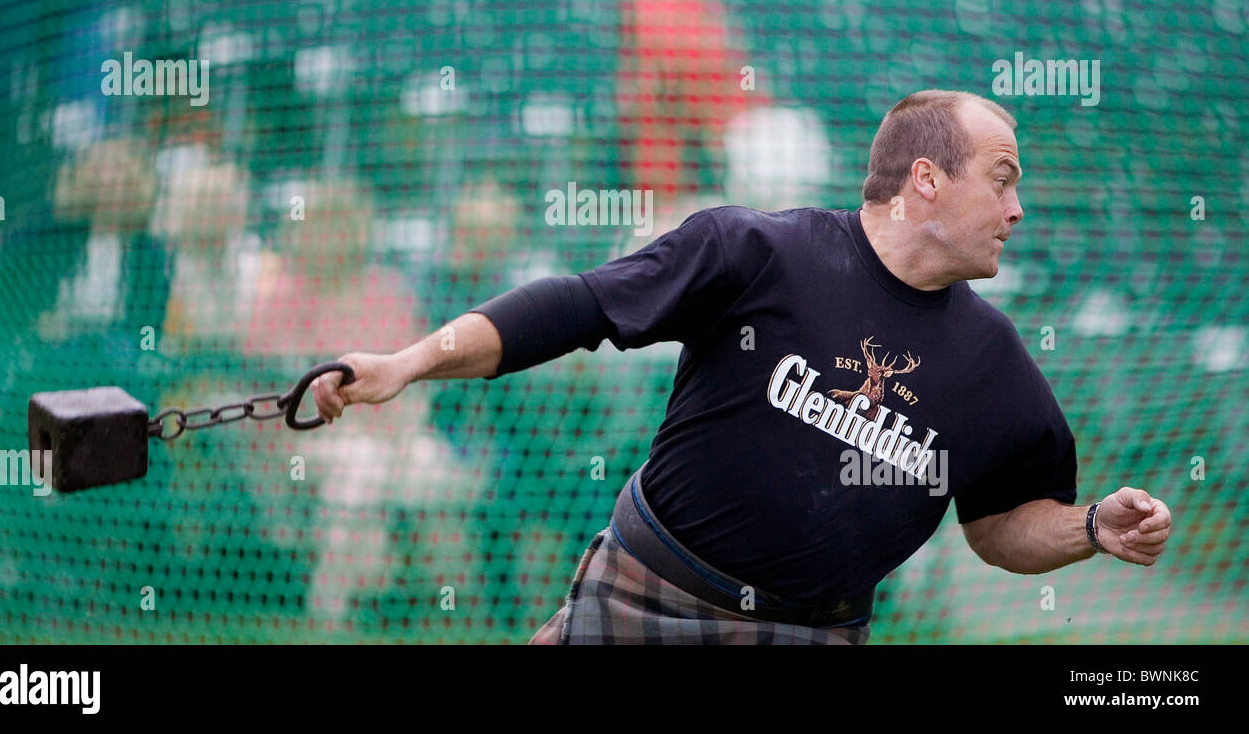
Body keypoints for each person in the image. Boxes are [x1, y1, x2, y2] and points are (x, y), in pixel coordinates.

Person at [310, 89, 1173, 644]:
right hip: (642, 597)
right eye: (1003, 179)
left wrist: (1090, 527)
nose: (1019, 209)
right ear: (926, 180)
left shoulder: (994, 362)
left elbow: (999, 525)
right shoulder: (756, 251)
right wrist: (407, 363)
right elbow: (577, 307)